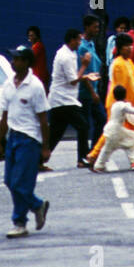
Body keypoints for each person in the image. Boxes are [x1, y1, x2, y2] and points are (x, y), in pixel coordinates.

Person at [0, 45, 51, 238]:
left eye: (17, 59)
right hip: (12, 138)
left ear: (27, 62)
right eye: (13, 58)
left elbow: (43, 120)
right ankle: (38, 205)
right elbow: (4, 115)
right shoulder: (8, 84)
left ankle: (19, 222)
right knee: (9, 181)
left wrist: (45, 147)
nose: (13, 62)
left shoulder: (35, 86)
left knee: (20, 183)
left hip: (29, 140)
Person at [87, 33, 134, 168]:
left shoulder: (129, 62)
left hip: (132, 102)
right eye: (126, 46)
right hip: (120, 105)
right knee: (113, 131)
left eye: (131, 46)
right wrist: (128, 108)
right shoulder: (117, 64)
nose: (130, 49)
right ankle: (93, 155)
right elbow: (120, 88)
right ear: (119, 48)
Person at [48, 28, 92, 167]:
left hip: (61, 99)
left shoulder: (69, 53)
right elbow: (73, 80)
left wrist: (85, 76)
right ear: (72, 40)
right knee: (83, 126)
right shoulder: (65, 56)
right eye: (78, 40)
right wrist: (84, 66)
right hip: (63, 100)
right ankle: (82, 159)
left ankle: (37, 160)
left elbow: (71, 77)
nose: (80, 43)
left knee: (56, 133)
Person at [92, 85, 134, 172]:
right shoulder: (123, 105)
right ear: (125, 95)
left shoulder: (115, 105)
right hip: (117, 130)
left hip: (110, 129)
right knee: (131, 143)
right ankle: (133, 162)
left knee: (108, 148)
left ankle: (99, 165)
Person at [78, 15, 104, 152]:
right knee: (85, 124)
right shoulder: (81, 47)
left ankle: (93, 151)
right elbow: (82, 73)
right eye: (95, 27)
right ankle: (85, 154)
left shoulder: (91, 44)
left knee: (100, 119)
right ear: (87, 27)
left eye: (98, 27)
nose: (97, 30)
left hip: (93, 90)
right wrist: (93, 93)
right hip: (85, 92)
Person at [26, 26, 50, 92]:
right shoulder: (36, 46)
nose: (30, 37)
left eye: (32, 35)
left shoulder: (38, 46)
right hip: (40, 76)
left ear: (37, 36)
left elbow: (30, 59)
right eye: (29, 36)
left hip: (39, 76)